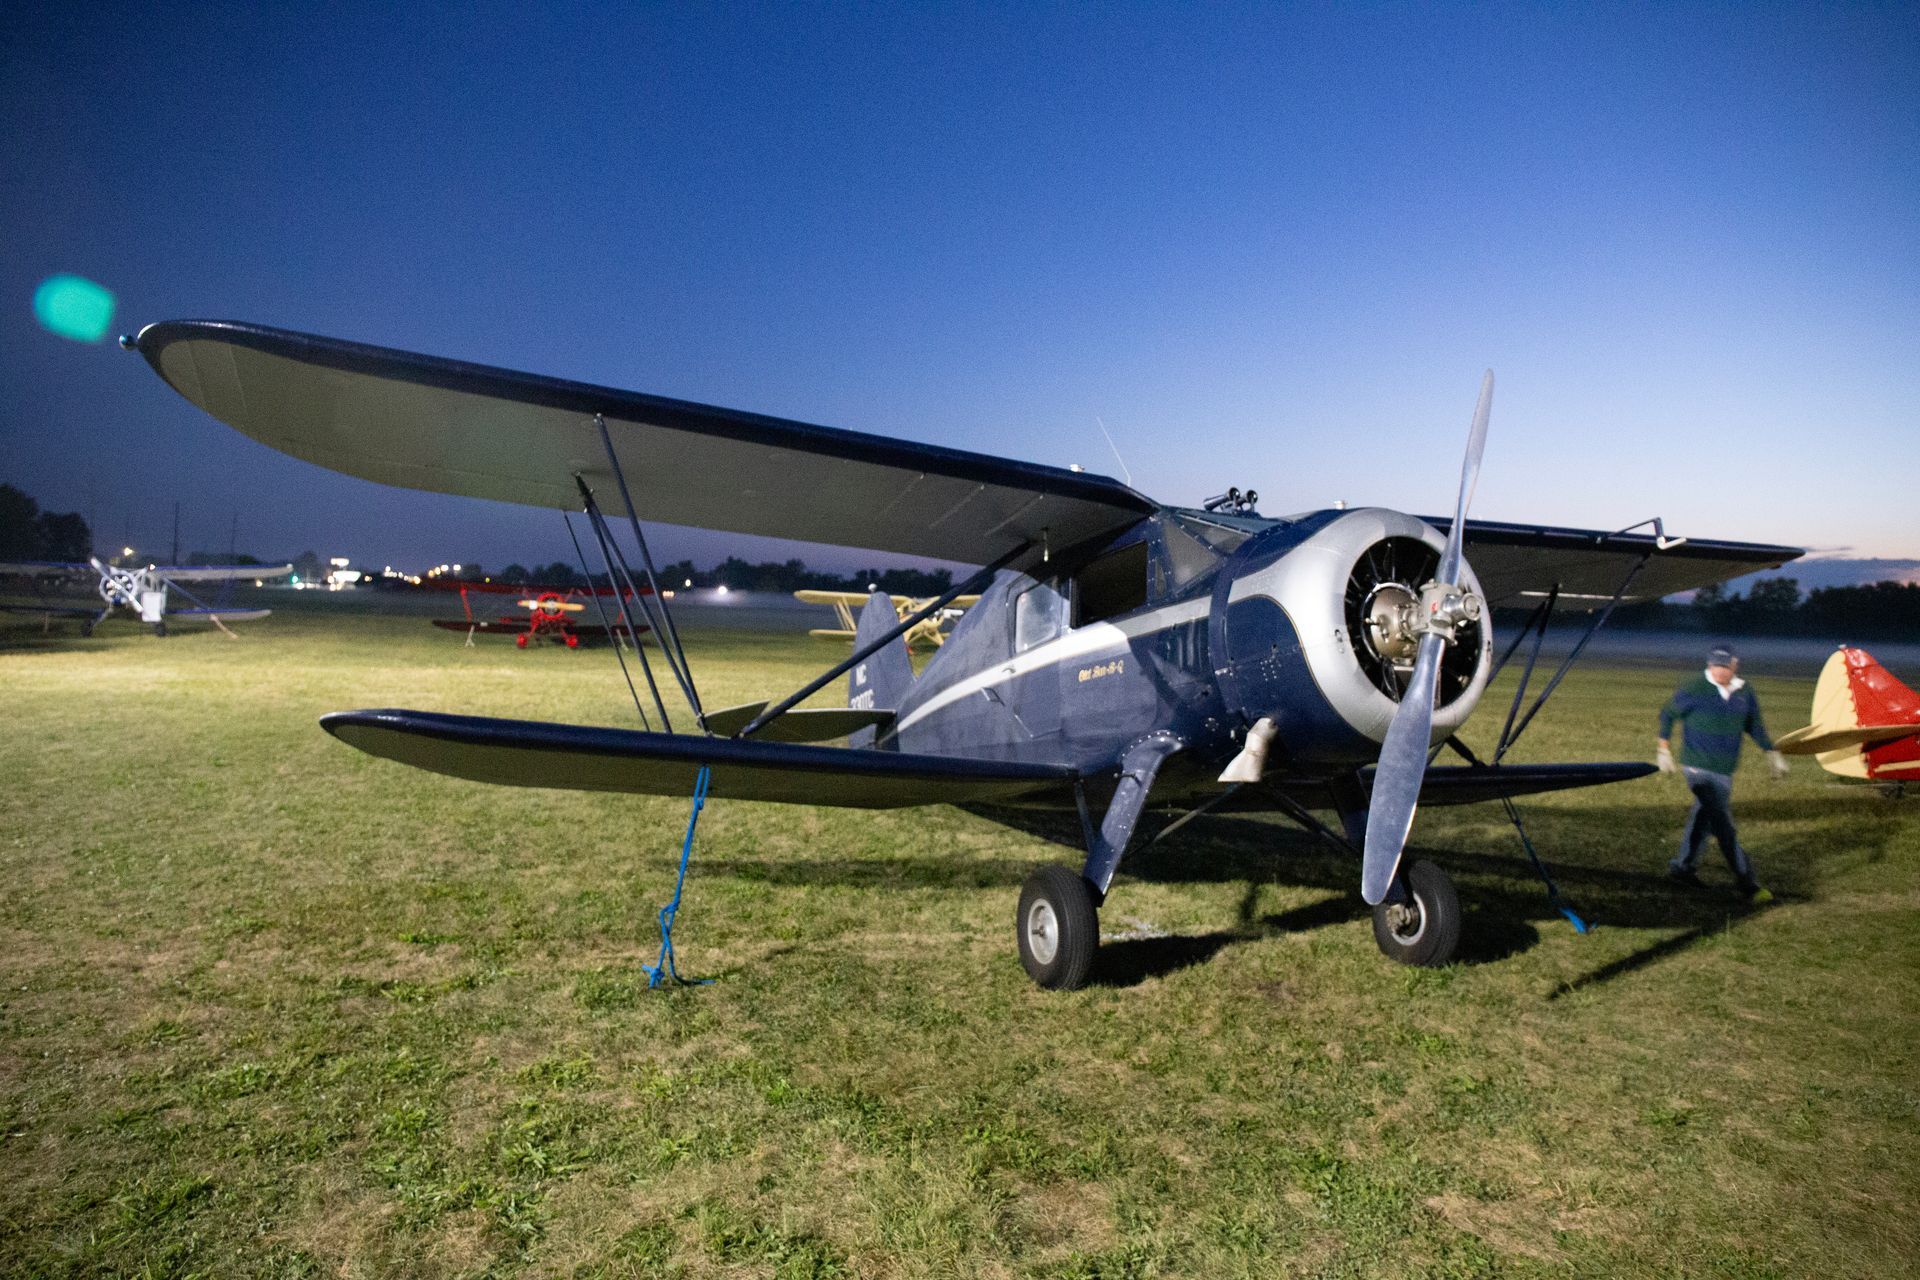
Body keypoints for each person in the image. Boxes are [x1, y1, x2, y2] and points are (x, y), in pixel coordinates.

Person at [1657, 644, 1789, 902]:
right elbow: (1668, 713)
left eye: (1723, 666)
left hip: (1725, 769)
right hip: (1697, 768)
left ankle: (1682, 868)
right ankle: (1747, 883)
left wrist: (1772, 753)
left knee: (1703, 816)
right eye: (1714, 665)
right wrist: (1664, 748)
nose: (1718, 671)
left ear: (1734, 665)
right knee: (1723, 824)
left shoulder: (1744, 691)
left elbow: (1754, 725)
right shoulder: (1694, 687)